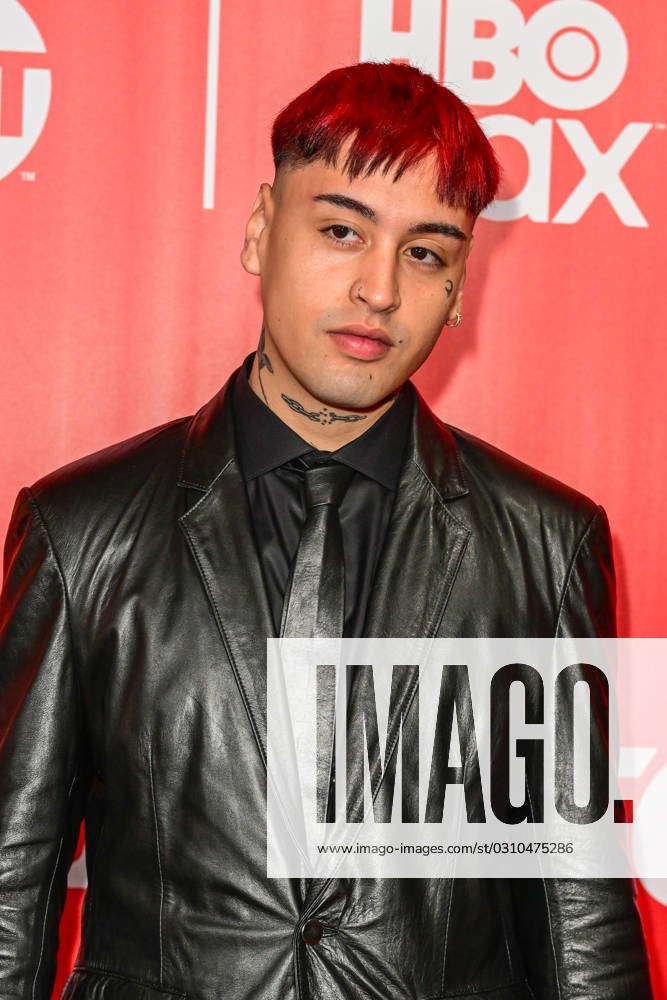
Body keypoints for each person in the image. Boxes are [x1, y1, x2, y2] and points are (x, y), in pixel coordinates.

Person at [0, 61, 653, 1000]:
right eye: (341, 230)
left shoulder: (544, 545)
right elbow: (12, 889)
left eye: (423, 253)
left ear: (459, 288)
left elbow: (578, 909)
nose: (378, 289)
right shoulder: (81, 530)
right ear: (261, 230)